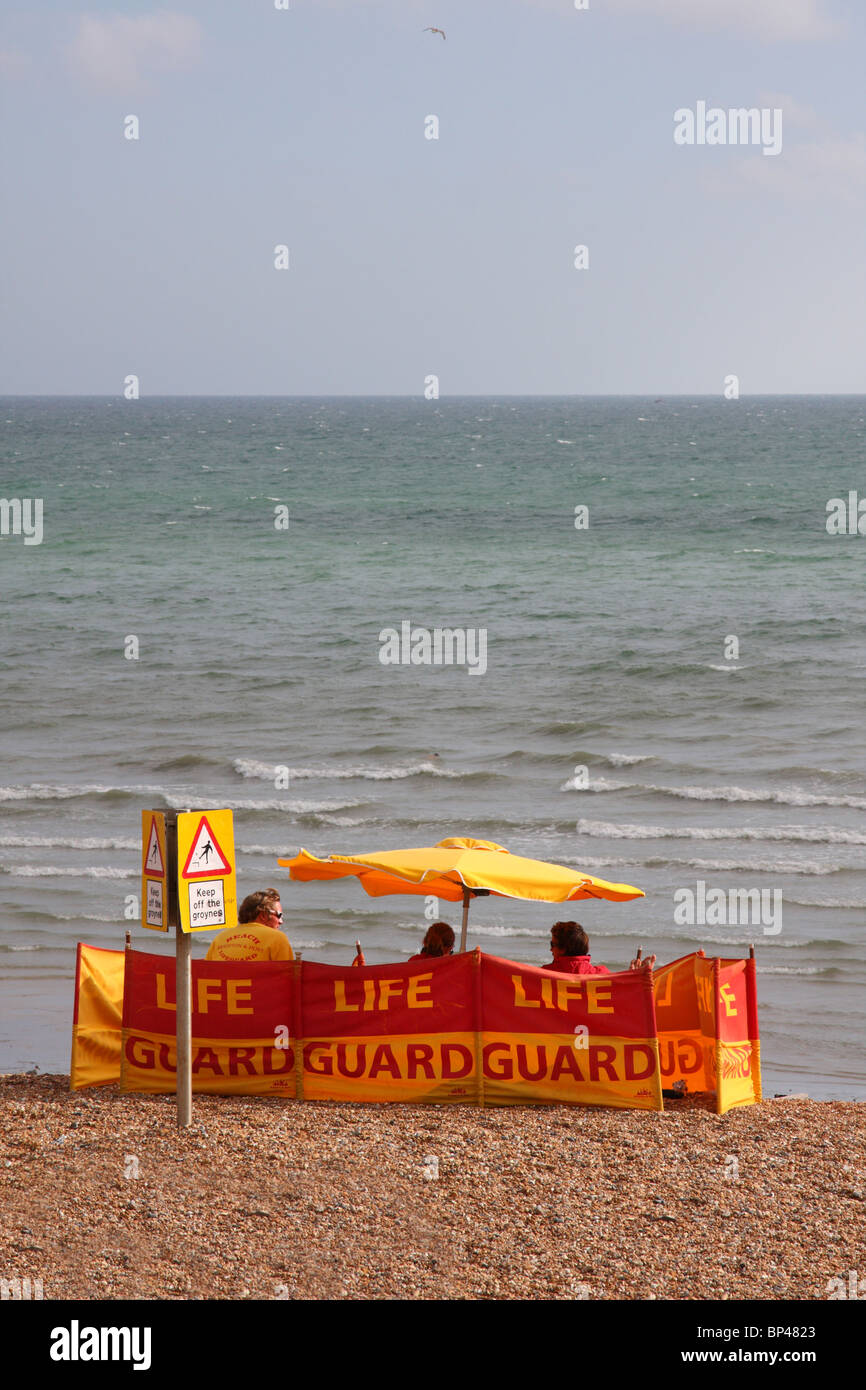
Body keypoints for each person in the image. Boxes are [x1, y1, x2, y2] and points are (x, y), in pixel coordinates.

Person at [206, 888, 293, 962]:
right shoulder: (277, 938)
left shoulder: (220, 937)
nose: (281, 921)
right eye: (279, 915)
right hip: (258, 982)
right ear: (263, 915)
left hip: (224, 981)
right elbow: (288, 975)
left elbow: (206, 971)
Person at [542, 921, 611, 975]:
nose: (550, 949)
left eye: (552, 944)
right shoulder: (602, 974)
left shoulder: (545, 974)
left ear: (563, 949)